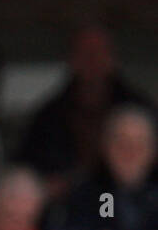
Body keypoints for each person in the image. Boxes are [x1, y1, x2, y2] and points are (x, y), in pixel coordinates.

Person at [15, 25, 154, 201]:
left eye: (99, 52)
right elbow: (27, 170)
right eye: (85, 53)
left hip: (137, 203)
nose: (92, 60)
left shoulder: (139, 108)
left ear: (112, 58)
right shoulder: (48, 116)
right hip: (69, 207)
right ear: (71, 59)